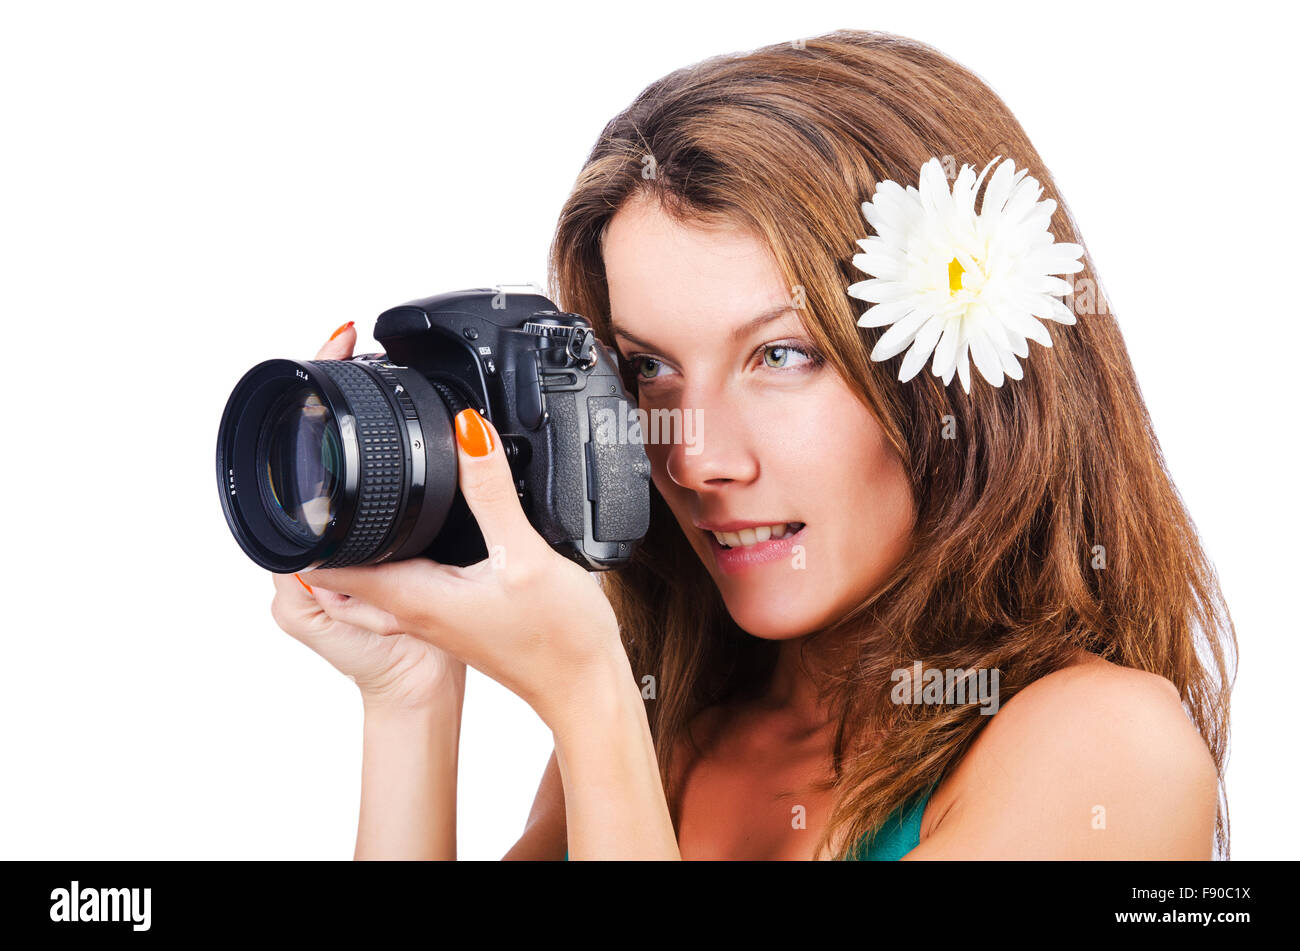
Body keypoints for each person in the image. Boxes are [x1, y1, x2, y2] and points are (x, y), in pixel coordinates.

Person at [268, 29, 1235, 860]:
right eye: (649, 369)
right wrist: (410, 697)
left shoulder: (1108, 748)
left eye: (781, 354)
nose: (696, 459)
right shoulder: (664, 715)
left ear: (958, 377)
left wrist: (589, 693)